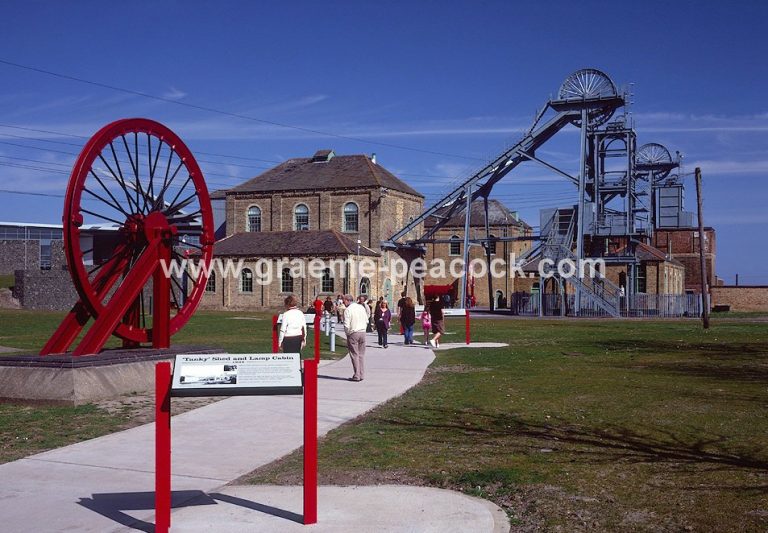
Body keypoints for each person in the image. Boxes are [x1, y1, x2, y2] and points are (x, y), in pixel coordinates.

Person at [343, 294, 368, 381]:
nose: (343, 302)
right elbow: (366, 319)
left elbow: (346, 324)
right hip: (362, 332)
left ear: (347, 300)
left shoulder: (348, 310)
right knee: (361, 354)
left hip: (353, 332)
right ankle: (362, 374)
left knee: (354, 354)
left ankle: (357, 375)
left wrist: (347, 333)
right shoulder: (361, 307)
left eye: (344, 300)